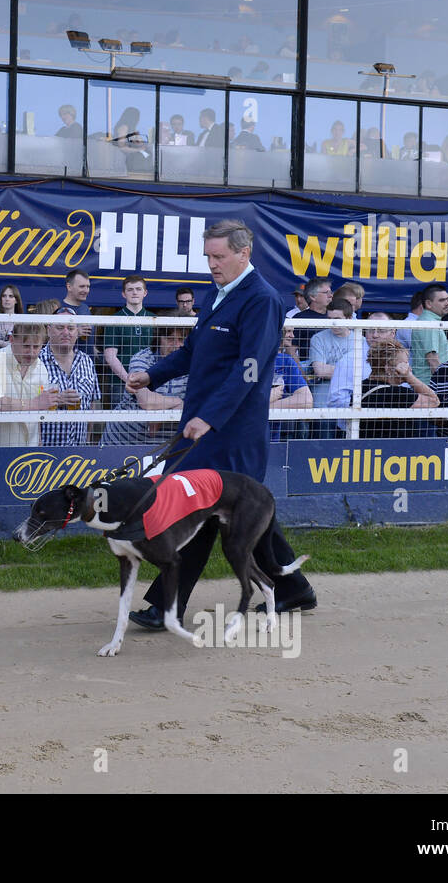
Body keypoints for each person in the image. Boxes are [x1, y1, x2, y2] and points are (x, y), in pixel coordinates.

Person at [125, 219, 316, 630]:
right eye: (208, 256)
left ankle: (166, 604)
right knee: (234, 514)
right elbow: (192, 351)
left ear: (243, 254)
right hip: (204, 424)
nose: (211, 264)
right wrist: (152, 376)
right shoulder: (218, 294)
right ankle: (293, 587)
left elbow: (249, 371)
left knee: (198, 511)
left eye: (219, 256)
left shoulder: (261, 300)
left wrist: (209, 418)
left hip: (232, 431)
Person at [100, 325, 188, 447]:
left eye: (181, 339)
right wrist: (179, 402)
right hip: (121, 442)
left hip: (164, 448)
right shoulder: (142, 358)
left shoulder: (193, 364)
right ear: (158, 339)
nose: (176, 344)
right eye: (170, 338)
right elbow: (147, 401)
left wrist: (161, 409)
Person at [36, 300, 99, 446]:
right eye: (60, 327)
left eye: (70, 328)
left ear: (77, 332)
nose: (66, 333)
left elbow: (92, 406)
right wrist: (57, 399)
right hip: (44, 453)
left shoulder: (87, 362)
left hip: (79, 454)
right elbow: (27, 405)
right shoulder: (37, 361)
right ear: (48, 330)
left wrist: (88, 443)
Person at [0, 322, 50, 446]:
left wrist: (39, 444)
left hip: (30, 452)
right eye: (26, 346)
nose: (32, 352)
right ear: (11, 339)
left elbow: (38, 411)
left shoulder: (41, 367)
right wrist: (34, 403)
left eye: (36, 347)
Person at [358, 339, 439, 439]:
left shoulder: (361, 387)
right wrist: (409, 376)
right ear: (388, 369)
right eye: (404, 365)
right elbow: (434, 401)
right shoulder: (395, 394)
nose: (409, 369)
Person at [101, 275, 153, 405]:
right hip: (121, 384)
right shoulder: (114, 319)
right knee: (120, 424)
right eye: (130, 290)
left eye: (138, 289)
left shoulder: (155, 319)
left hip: (151, 383)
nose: (134, 292)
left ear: (145, 293)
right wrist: (129, 380)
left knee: (149, 424)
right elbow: (110, 356)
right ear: (124, 294)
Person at [408, 284, 448, 385]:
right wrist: (444, 386)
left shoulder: (429, 321)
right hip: (431, 386)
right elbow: (433, 360)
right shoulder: (429, 323)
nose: (447, 303)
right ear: (428, 304)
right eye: (442, 300)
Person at [62, 269, 94, 360]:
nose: (86, 290)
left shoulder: (86, 308)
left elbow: (88, 340)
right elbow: (50, 339)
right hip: (68, 366)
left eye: (88, 287)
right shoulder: (59, 309)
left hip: (87, 366)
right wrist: (76, 333)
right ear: (69, 287)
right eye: (82, 286)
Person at [0, 284, 23, 350]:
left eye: (11, 296)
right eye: (4, 296)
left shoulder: (21, 322)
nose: (7, 299)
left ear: (16, 300)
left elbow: (17, 345)